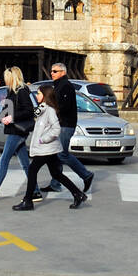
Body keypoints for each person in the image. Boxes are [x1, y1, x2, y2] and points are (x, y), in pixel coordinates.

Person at [12, 84, 86, 211]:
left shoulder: (50, 110)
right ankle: (78, 194)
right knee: (56, 174)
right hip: (47, 148)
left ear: (45, 95)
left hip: (46, 147)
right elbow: (33, 117)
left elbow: (56, 129)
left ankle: (28, 201)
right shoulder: (42, 107)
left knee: (32, 170)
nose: (37, 95)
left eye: (39, 93)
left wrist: (43, 139)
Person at [0, 67, 35, 202]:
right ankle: (36, 191)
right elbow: (3, 114)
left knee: (3, 161)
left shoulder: (22, 91)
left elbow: (29, 111)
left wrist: (12, 117)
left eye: (7, 77)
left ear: (13, 77)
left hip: (18, 131)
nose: (4, 80)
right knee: (25, 164)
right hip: (15, 131)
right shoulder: (11, 92)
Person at [45, 63, 96, 196]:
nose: (52, 73)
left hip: (66, 125)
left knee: (62, 154)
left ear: (63, 72)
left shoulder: (65, 86)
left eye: (55, 71)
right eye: (51, 71)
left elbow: (64, 107)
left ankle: (86, 175)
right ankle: (55, 184)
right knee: (56, 154)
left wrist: (50, 112)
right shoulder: (58, 85)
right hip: (61, 124)